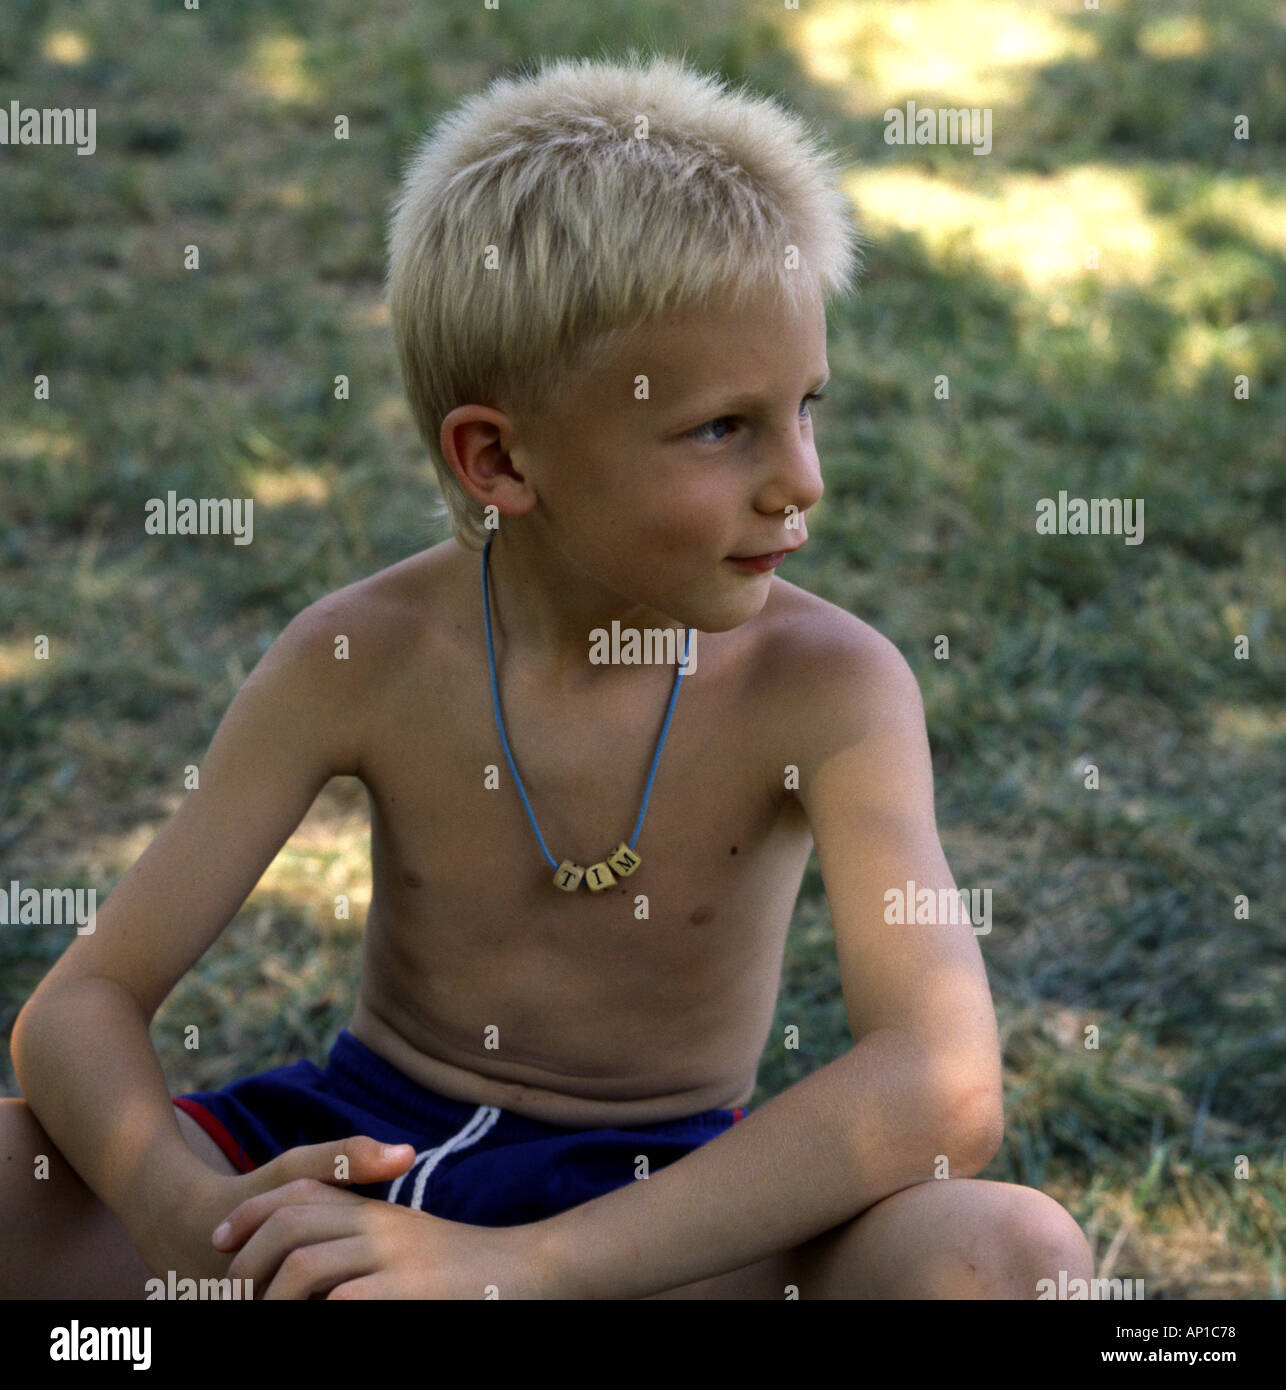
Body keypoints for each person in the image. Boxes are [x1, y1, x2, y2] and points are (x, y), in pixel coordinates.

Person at [4, 52, 1093, 1299]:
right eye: (722, 427)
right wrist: (183, 1213)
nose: (802, 477)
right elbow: (77, 1007)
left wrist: (519, 1267)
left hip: (649, 1215)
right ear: (498, 461)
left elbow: (940, 1082)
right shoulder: (362, 654)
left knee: (1010, 1256)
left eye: (806, 405)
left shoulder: (829, 687)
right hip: (362, 1162)